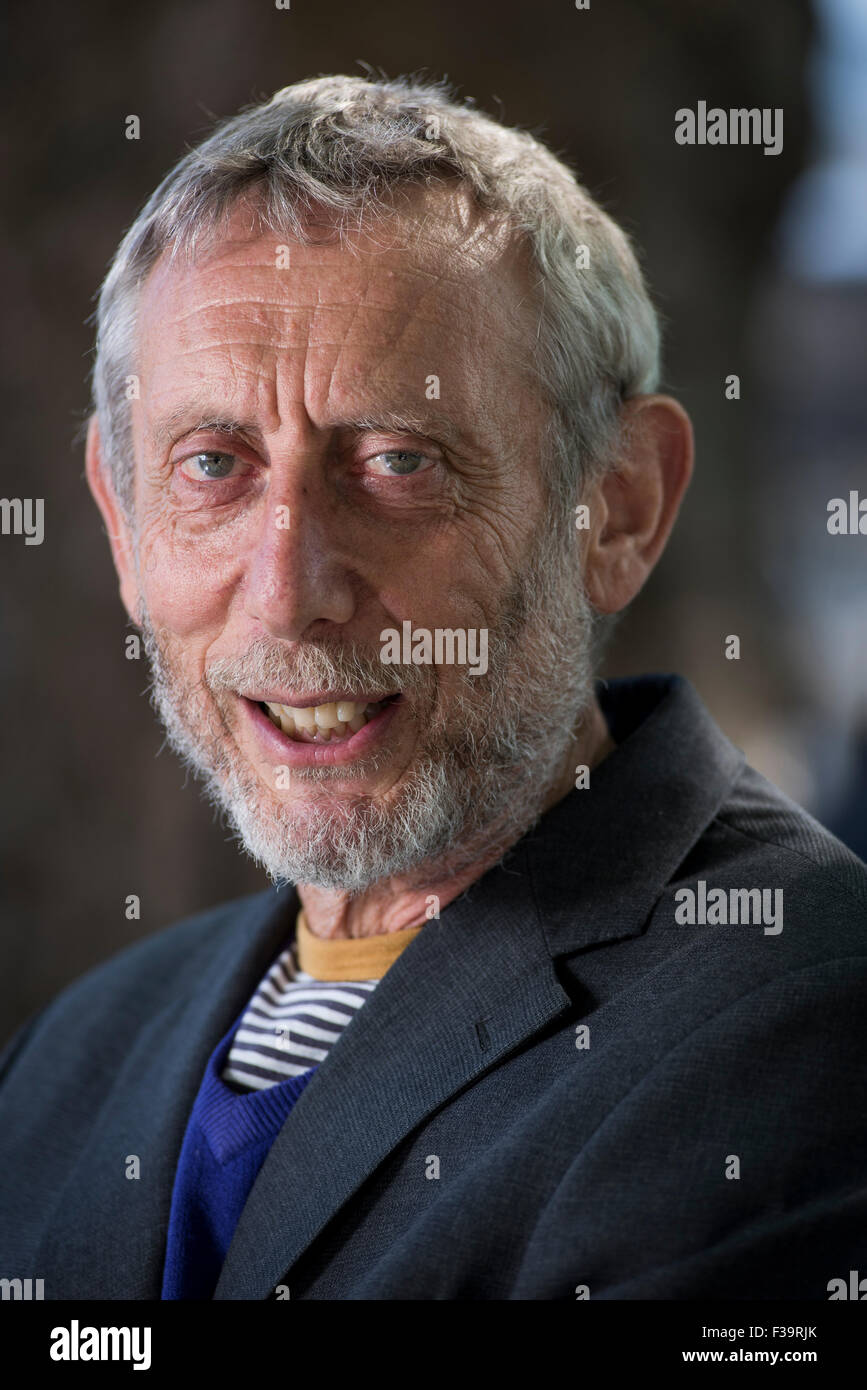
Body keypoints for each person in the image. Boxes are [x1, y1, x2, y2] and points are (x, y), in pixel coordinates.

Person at [1, 74, 865, 1302]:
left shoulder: (811, 1024)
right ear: (121, 521)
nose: (290, 591)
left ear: (618, 508)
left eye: (398, 460)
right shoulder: (66, 1060)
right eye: (212, 465)